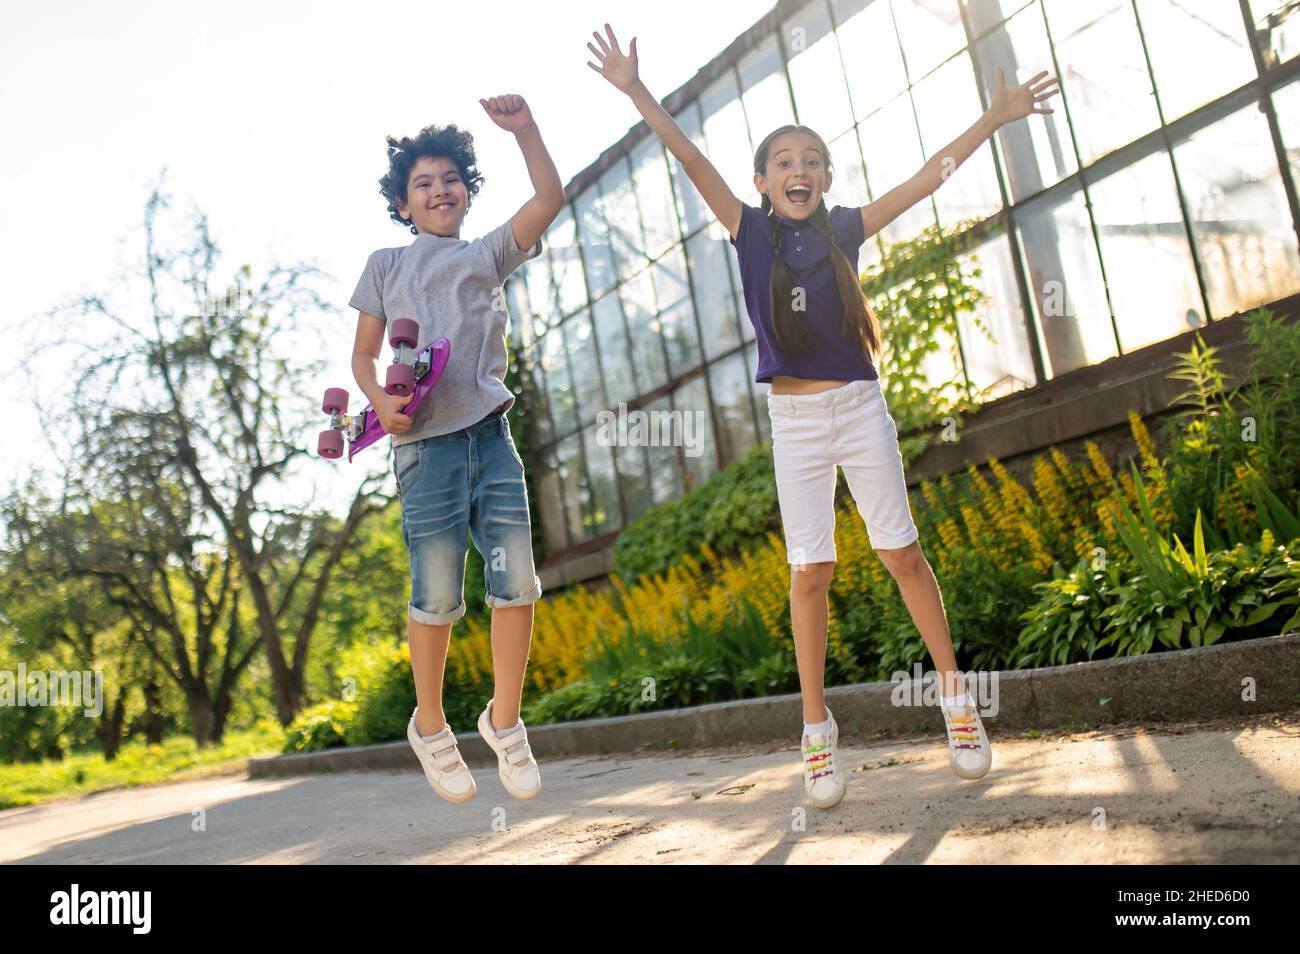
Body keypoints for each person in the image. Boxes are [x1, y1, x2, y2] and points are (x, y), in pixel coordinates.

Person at [587, 23, 1059, 808]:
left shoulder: (842, 230)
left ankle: (956, 701)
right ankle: (815, 732)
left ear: (825, 178)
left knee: (901, 553)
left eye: (811, 161)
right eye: (783, 162)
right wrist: (636, 91)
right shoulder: (748, 233)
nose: (797, 170)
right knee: (812, 571)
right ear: (764, 180)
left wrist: (995, 115)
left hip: (858, 407)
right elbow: (688, 157)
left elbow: (925, 182)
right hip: (795, 422)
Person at [348, 94, 565, 803]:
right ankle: (432, 726)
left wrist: (526, 131)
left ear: (467, 191)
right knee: (437, 594)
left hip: (491, 438)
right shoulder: (385, 265)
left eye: (450, 179)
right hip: (426, 452)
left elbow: (549, 196)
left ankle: (505, 721)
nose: (439, 190)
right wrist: (381, 403)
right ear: (403, 203)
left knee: (517, 583)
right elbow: (363, 358)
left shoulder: (487, 253)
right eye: (423, 183)